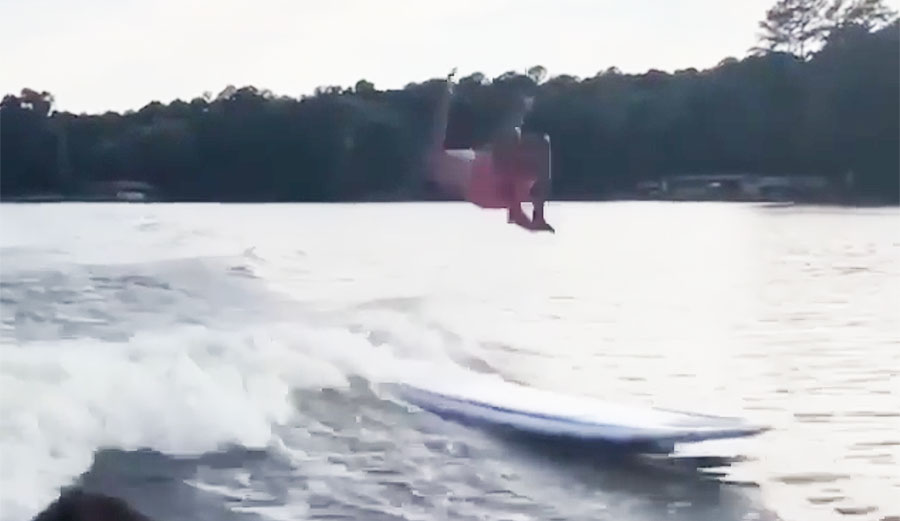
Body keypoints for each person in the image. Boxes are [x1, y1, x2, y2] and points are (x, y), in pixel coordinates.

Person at [427, 70, 555, 232]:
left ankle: (535, 216)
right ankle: (521, 211)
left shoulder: (469, 159)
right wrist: (445, 96)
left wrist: (446, 94)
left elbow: (439, 131)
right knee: (518, 138)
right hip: (490, 187)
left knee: (535, 142)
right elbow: (439, 129)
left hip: (495, 187)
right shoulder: (445, 162)